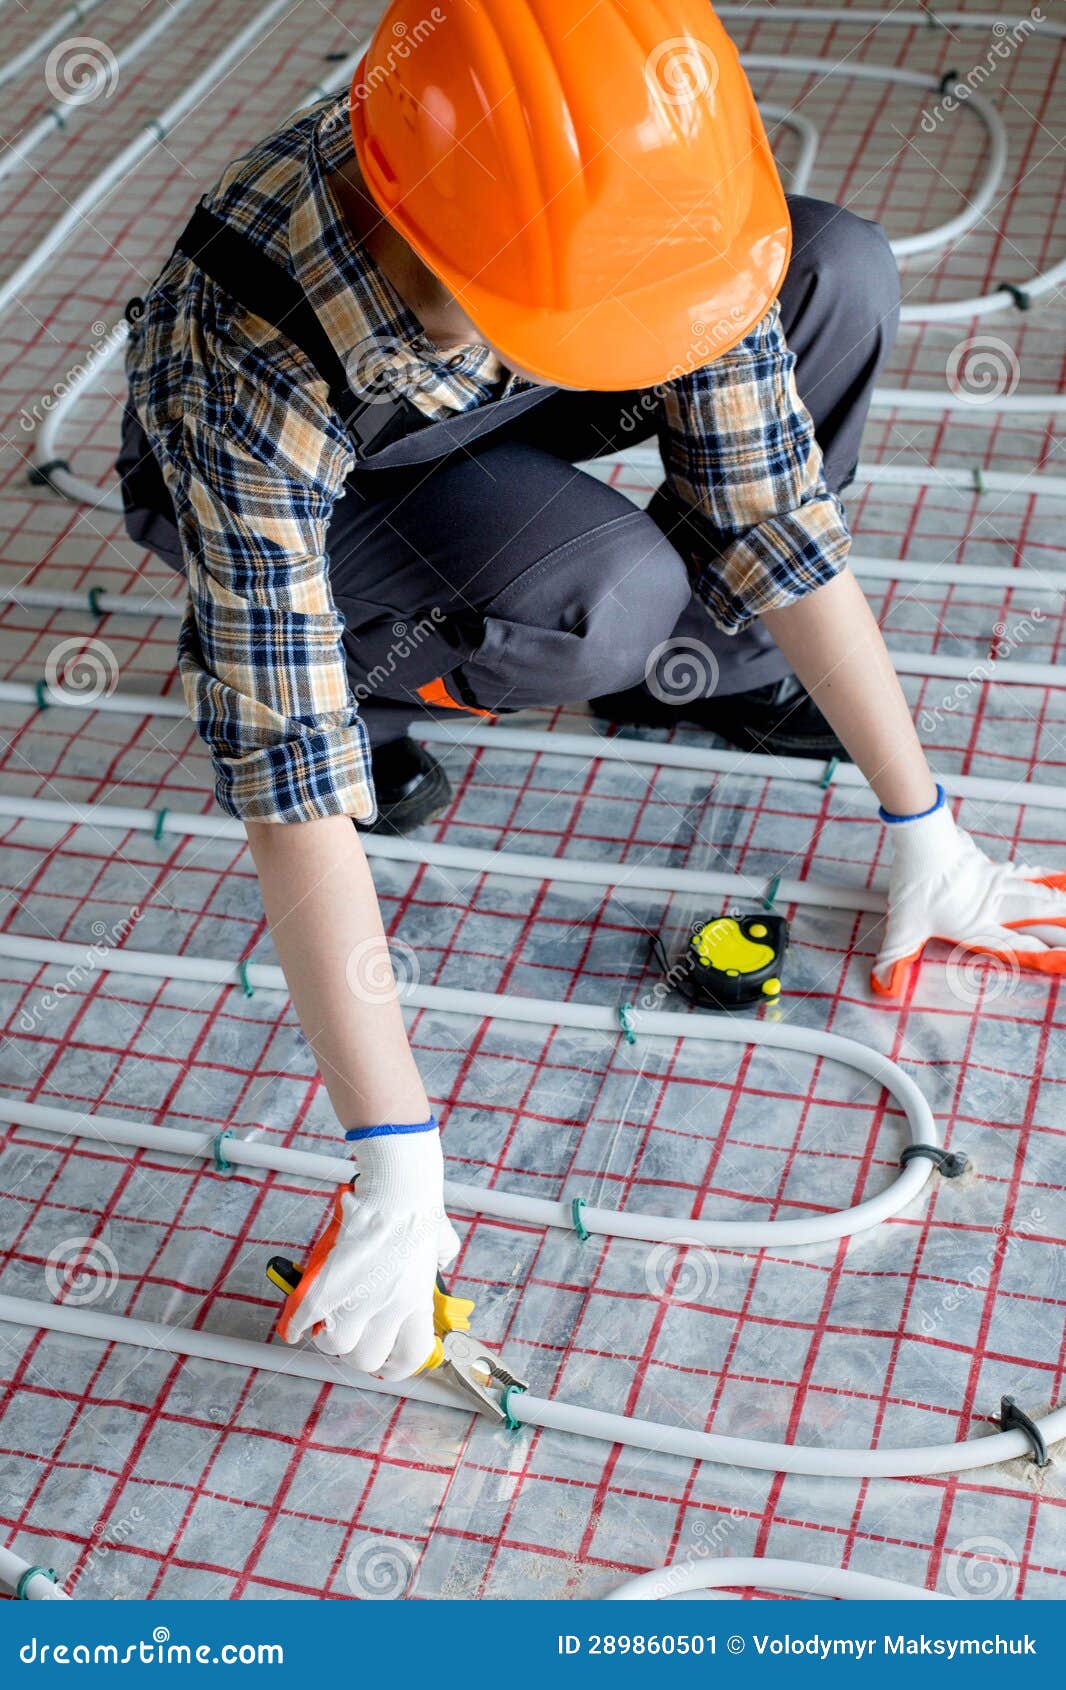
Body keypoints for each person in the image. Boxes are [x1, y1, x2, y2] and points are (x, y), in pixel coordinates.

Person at [117, 0, 1066, 1381]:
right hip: (328, 475)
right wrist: (395, 1161)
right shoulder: (252, 349)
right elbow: (289, 782)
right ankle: (377, 677)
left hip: (490, 370)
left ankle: (710, 668)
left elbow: (773, 512)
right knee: (602, 597)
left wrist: (929, 831)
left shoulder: (637, 198)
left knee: (833, 269)